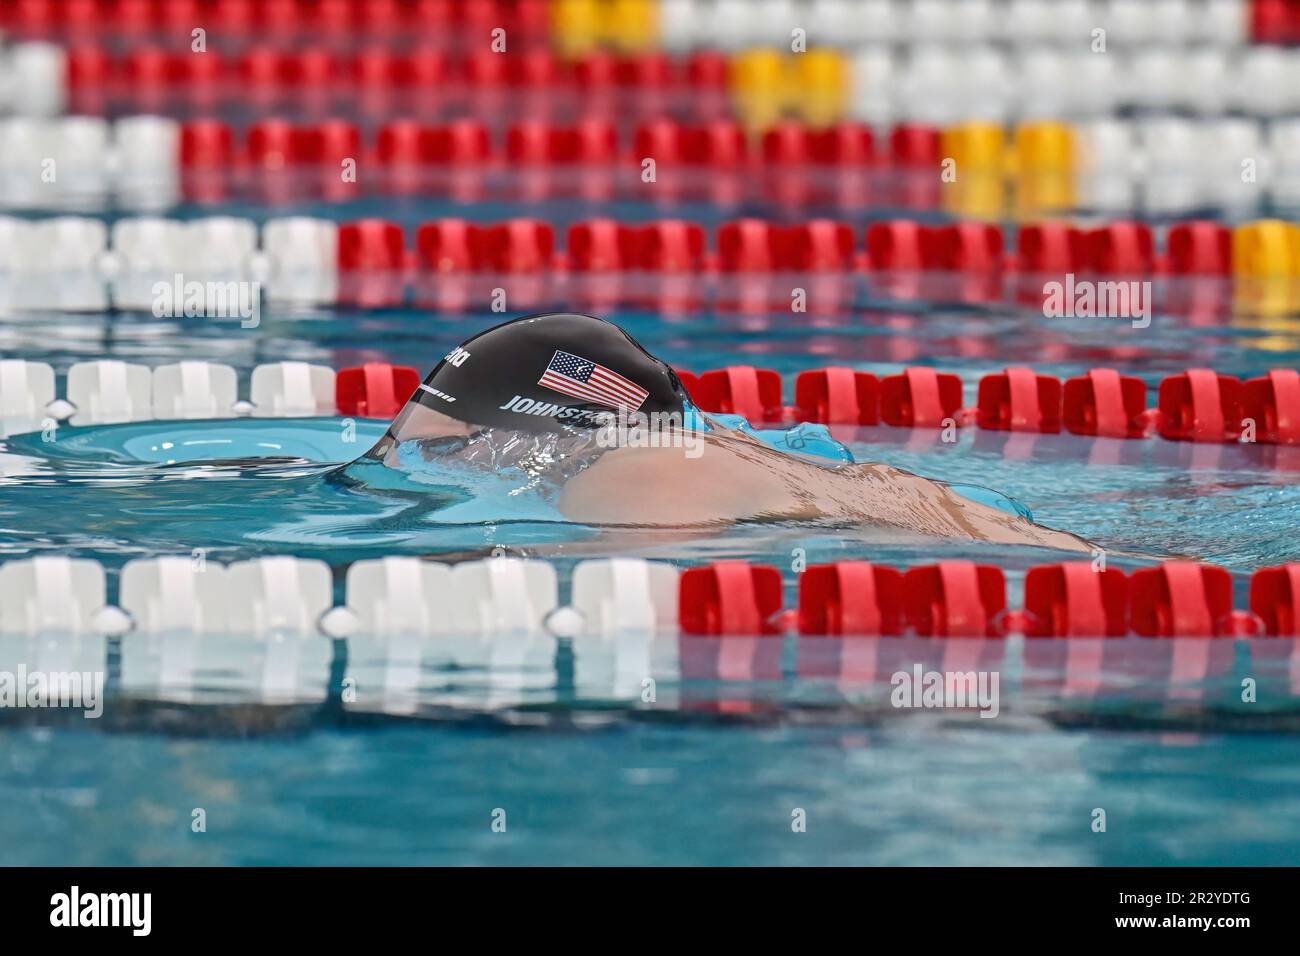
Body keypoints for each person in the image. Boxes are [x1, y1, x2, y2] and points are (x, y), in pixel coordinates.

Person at [359, 312, 1092, 551]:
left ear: (546, 427)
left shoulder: (636, 472)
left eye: (450, 444)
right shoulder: (680, 450)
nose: (429, 462)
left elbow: (605, 601)